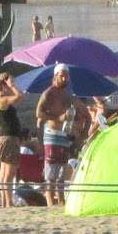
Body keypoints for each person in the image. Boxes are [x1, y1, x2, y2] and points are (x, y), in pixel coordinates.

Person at [37, 65, 77, 205]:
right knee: (51, 172)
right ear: (55, 76)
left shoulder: (68, 94)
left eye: (66, 76)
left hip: (64, 133)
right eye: (62, 76)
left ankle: (61, 200)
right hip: (52, 134)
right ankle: (50, 202)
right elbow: (39, 113)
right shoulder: (49, 93)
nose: (65, 79)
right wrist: (58, 118)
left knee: (62, 170)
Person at [0, 75, 26, 208]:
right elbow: (20, 97)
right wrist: (11, 85)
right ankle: (8, 202)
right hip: (9, 138)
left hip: (6, 137)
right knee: (9, 174)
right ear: (3, 86)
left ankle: (6, 202)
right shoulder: (2, 99)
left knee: (4, 173)